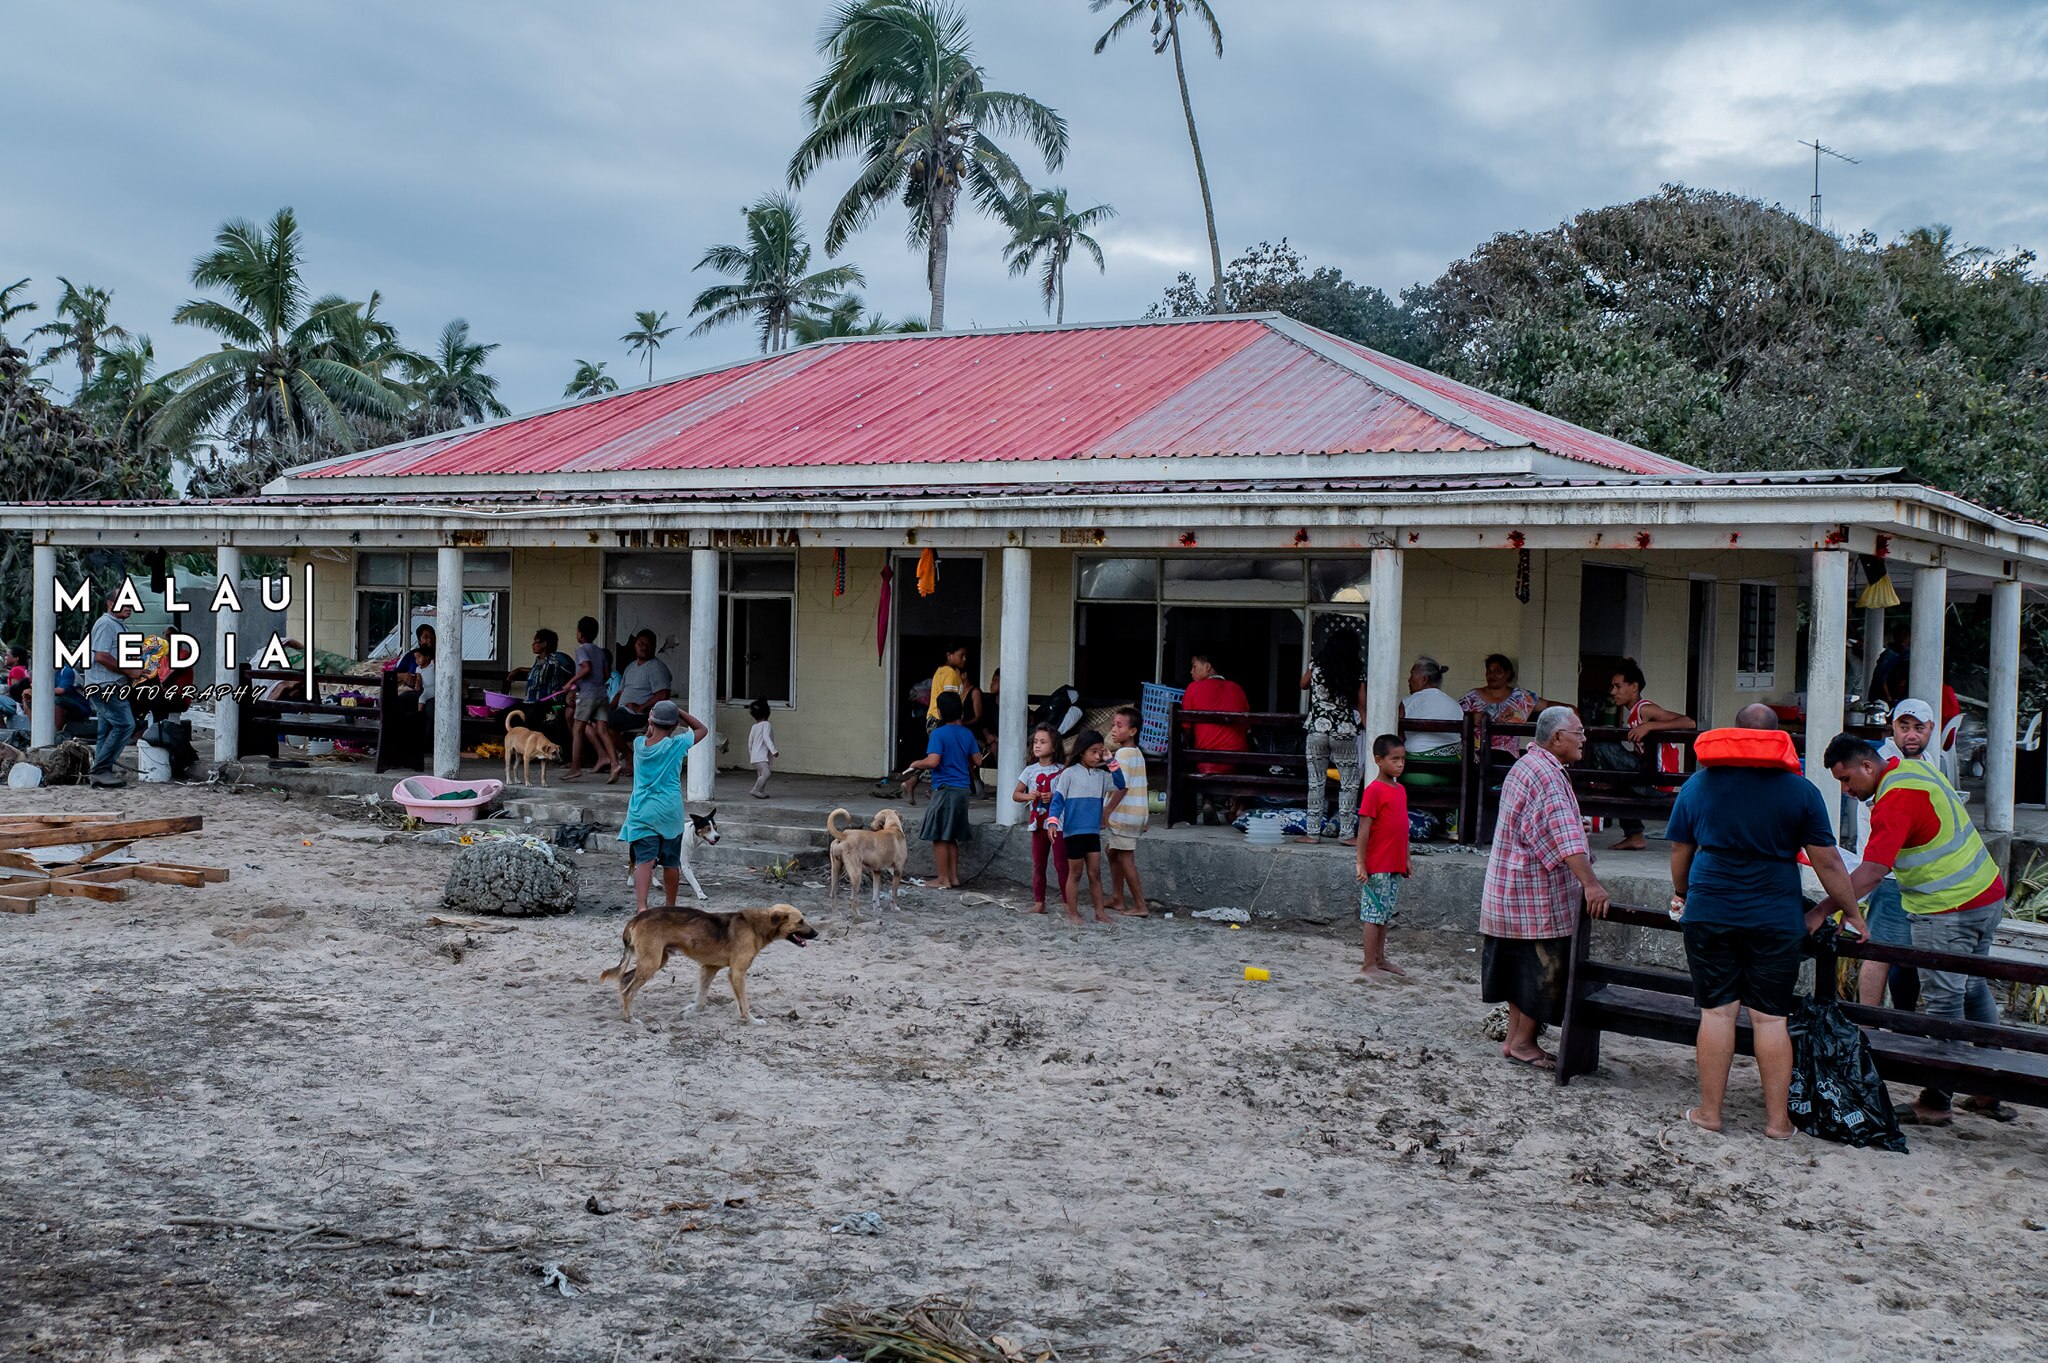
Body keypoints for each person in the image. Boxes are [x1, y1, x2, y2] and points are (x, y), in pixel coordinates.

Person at [1668, 707, 1862, 1137]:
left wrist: (1683, 893)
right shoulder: (1801, 792)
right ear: (1777, 737)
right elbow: (1827, 861)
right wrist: (1851, 910)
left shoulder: (1699, 785)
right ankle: (1778, 1122)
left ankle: (1710, 1114)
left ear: (1735, 733)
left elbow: (1681, 852)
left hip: (1711, 911)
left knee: (1717, 1014)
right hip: (1775, 917)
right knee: (1770, 1018)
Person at [1826, 733, 2016, 1126]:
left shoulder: (1894, 799)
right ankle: (1988, 1090)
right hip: (1986, 894)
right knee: (1973, 987)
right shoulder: (1913, 771)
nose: (1846, 791)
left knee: (1944, 1003)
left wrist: (1825, 911)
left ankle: (1937, 1099)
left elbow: (1873, 871)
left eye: (1846, 780)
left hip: (1946, 909)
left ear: (1867, 766)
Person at [1479, 706, 1613, 1069]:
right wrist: (1592, 884)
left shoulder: (1529, 766)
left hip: (1513, 889)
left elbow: (1546, 827)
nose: (1584, 739)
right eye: (1579, 732)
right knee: (1539, 973)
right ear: (1557, 738)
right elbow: (1564, 839)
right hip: (1533, 895)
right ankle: (1523, 1042)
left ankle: (1514, 1040)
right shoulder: (1547, 775)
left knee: (1518, 969)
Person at [1854, 698, 1932, 1013]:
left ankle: (1903, 1024)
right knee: (1879, 955)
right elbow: (1891, 814)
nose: (1911, 735)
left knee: (1908, 956)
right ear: (1892, 728)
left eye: (1918, 728)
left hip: (1920, 875)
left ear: (1930, 730)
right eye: (1904, 727)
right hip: (1886, 874)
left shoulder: (1929, 760)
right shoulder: (1879, 763)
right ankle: (1867, 1026)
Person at [616, 698, 710, 915]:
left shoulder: (639, 745)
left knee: (644, 860)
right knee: (671, 862)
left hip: (642, 811)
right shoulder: (677, 744)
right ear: (675, 726)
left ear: (651, 720)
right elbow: (702, 729)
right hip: (670, 812)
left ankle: (642, 907)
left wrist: (653, 722)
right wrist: (678, 711)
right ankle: (670, 907)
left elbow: (650, 736)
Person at [1592, 658, 1694, 851]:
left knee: (1602, 743)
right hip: (1648, 776)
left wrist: (1650, 726)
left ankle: (1634, 832)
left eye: (1618, 686)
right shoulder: (1632, 714)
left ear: (1634, 687)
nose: (1613, 691)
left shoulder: (1645, 709)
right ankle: (1635, 836)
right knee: (1618, 784)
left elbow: (1689, 723)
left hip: (1656, 782)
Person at [1047, 728, 1126, 925]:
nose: (1097, 755)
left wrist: (1110, 760)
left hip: (1092, 831)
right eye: (1093, 751)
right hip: (1073, 831)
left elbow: (1121, 784)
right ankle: (1073, 914)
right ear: (1081, 751)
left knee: (1095, 873)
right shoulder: (1069, 774)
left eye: (1100, 751)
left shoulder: (1101, 775)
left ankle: (1100, 913)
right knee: (1075, 873)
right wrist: (1053, 822)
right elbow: (1058, 800)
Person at [904, 690, 980, 890]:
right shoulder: (967, 733)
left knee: (939, 835)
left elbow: (933, 761)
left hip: (944, 789)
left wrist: (916, 763)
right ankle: (953, 877)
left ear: (939, 712)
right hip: (962, 789)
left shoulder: (939, 733)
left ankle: (942, 878)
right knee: (952, 835)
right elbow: (978, 760)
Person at [1299, 624, 1365, 844]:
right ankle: (1346, 833)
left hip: (1317, 729)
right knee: (1349, 782)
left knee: (1316, 782)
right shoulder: (1355, 669)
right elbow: (1362, 703)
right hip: (1343, 730)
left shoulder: (1317, 666)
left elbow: (1303, 684)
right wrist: (1368, 727)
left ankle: (1312, 833)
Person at [1354, 735, 1410, 979]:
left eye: (1402, 759)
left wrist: (1406, 858)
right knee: (1372, 915)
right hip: (1377, 864)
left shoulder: (1401, 790)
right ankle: (1368, 963)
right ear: (1378, 760)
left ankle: (1380, 958)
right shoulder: (1373, 791)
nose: (1400, 764)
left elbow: (1403, 828)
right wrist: (1360, 862)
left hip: (1394, 863)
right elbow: (1364, 828)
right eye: (1394, 759)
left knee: (1384, 914)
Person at [81, 587, 141, 788]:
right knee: (125, 725)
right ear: (110, 603)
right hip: (105, 685)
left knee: (105, 731)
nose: (128, 606)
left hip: (107, 684)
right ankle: (100, 770)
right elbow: (101, 656)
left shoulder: (116, 625)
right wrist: (127, 671)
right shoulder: (107, 624)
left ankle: (101, 773)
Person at [1183, 654, 1251, 825]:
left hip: (1205, 762)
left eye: (1194, 666)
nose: (1191, 671)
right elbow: (1248, 727)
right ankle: (1238, 806)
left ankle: (1208, 802)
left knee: (1193, 751)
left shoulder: (1193, 688)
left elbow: (1186, 728)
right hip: (1237, 761)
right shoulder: (1237, 689)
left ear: (1207, 667)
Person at [1460, 654, 1569, 755]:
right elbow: (1454, 714)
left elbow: (1547, 704)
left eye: (1498, 671)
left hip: (1508, 758)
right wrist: (1470, 717)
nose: (1492, 675)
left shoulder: (1521, 697)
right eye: (1489, 671)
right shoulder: (1472, 697)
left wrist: (1570, 710)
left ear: (1508, 674)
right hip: (1475, 757)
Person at [1013, 723, 1068, 915]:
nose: (1037, 746)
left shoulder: (1063, 771)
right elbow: (1016, 794)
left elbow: (1068, 796)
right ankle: (1039, 902)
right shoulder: (1030, 771)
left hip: (1058, 824)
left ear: (1054, 747)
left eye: (1043, 742)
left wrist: (1053, 796)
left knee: (1062, 865)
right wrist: (1030, 796)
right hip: (1037, 824)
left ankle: (1068, 902)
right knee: (1038, 865)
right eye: (1035, 742)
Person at [1104, 706, 1151, 917]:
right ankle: (1117, 898)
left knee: (1125, 858)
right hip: (1136, 814)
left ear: (1132, 731)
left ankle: (1140, 905)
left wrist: (1107, 811)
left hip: (1124, 816)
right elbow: (1142, 785)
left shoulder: (1123, 754)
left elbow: (1121, 786)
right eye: (1113, 725)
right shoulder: (1137, 754)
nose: (1114, 729)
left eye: (1119, 726)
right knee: (1112, 851)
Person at [609, 629, 674, 779]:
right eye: (641, 643)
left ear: (655, 647)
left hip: (638, 714)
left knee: (605, 722)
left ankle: (628, 756)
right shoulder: (630, 667)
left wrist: (641, 707)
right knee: (595, 720)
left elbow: (663, 695)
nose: (644, 647)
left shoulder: (656, 667)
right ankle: (607, 759)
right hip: (622, 711)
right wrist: (607, 708)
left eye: (648, 644)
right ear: (635, 645)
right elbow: (619, 693)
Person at [562, 615, 618, 782]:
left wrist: (570, 683)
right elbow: (607, 674)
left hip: (588, 696)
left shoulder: (581, 650)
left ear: (580, 634)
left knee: (578, 729)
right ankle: (615, 763)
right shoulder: (600, 651)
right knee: (602, 729)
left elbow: (586, 668)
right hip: (602, 695)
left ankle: (575, 767)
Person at [1400, 656, 1463, 757]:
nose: (1409, 680)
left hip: (1416, 761)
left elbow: (1398, 738)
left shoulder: (1406, 703)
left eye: (1411, 675)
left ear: (1424, 679)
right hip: (1452, 761)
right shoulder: (1455, 705)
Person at [1869, 622, 1910, 708]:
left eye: (1905, 635)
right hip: (1886, 698)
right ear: (1895, 637)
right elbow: (1881, 679)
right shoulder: (1889, 656)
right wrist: (1889, 699)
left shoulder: (1909, 655)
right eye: (1899, 636)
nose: (1902, 638)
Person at [747, 698, 777, 798]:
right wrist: (774, 751)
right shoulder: (766, 725)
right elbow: (766, 738)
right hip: (761, 755)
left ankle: (761, 791)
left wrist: (751, 755)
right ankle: (755, 790)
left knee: (761, 774)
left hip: (755, 756)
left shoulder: (754, 726)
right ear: (767, 713)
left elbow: (750, 742)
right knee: (766, 773)